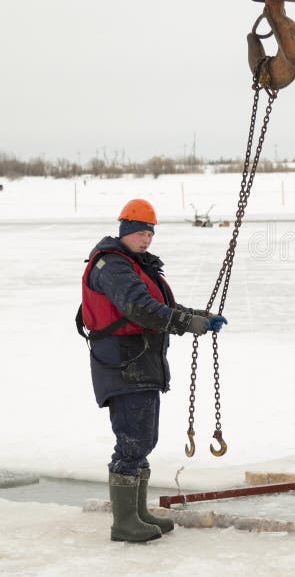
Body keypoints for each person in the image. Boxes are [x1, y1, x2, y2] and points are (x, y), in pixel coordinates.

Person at [78, 199, 227, 542]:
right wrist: (186, 323)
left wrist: (200, 318)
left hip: (140, 362)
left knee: (144, 439)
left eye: (150, 233)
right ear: (125, 231)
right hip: (122, 363)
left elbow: (164, 308)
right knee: (132, 440)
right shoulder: (112, 266)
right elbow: (141, 309)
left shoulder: (135, 265)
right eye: (141, 233)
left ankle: (138, 514)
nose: (146, 239)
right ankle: (124, 523)